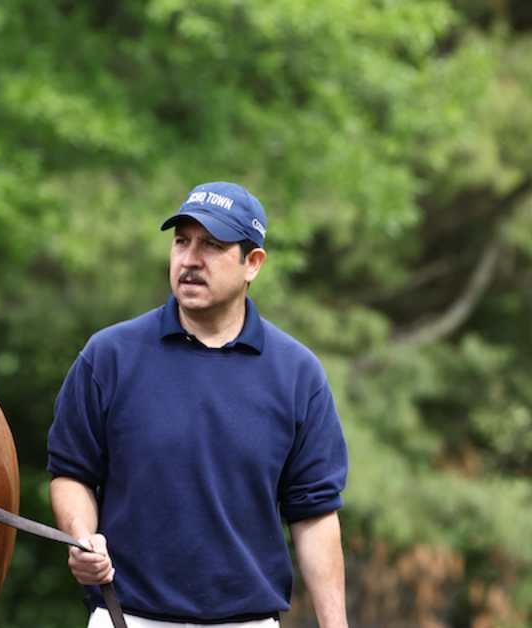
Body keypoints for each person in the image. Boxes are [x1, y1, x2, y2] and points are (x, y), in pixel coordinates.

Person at [47, 182, 349, 628]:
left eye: (212, 245)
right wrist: (82, 538)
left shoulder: (297, 374)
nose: (190, 259)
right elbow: (72, 473)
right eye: (182, 241)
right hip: (125, 617)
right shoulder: (109, 356)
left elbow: (315, 516)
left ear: (253, 263)